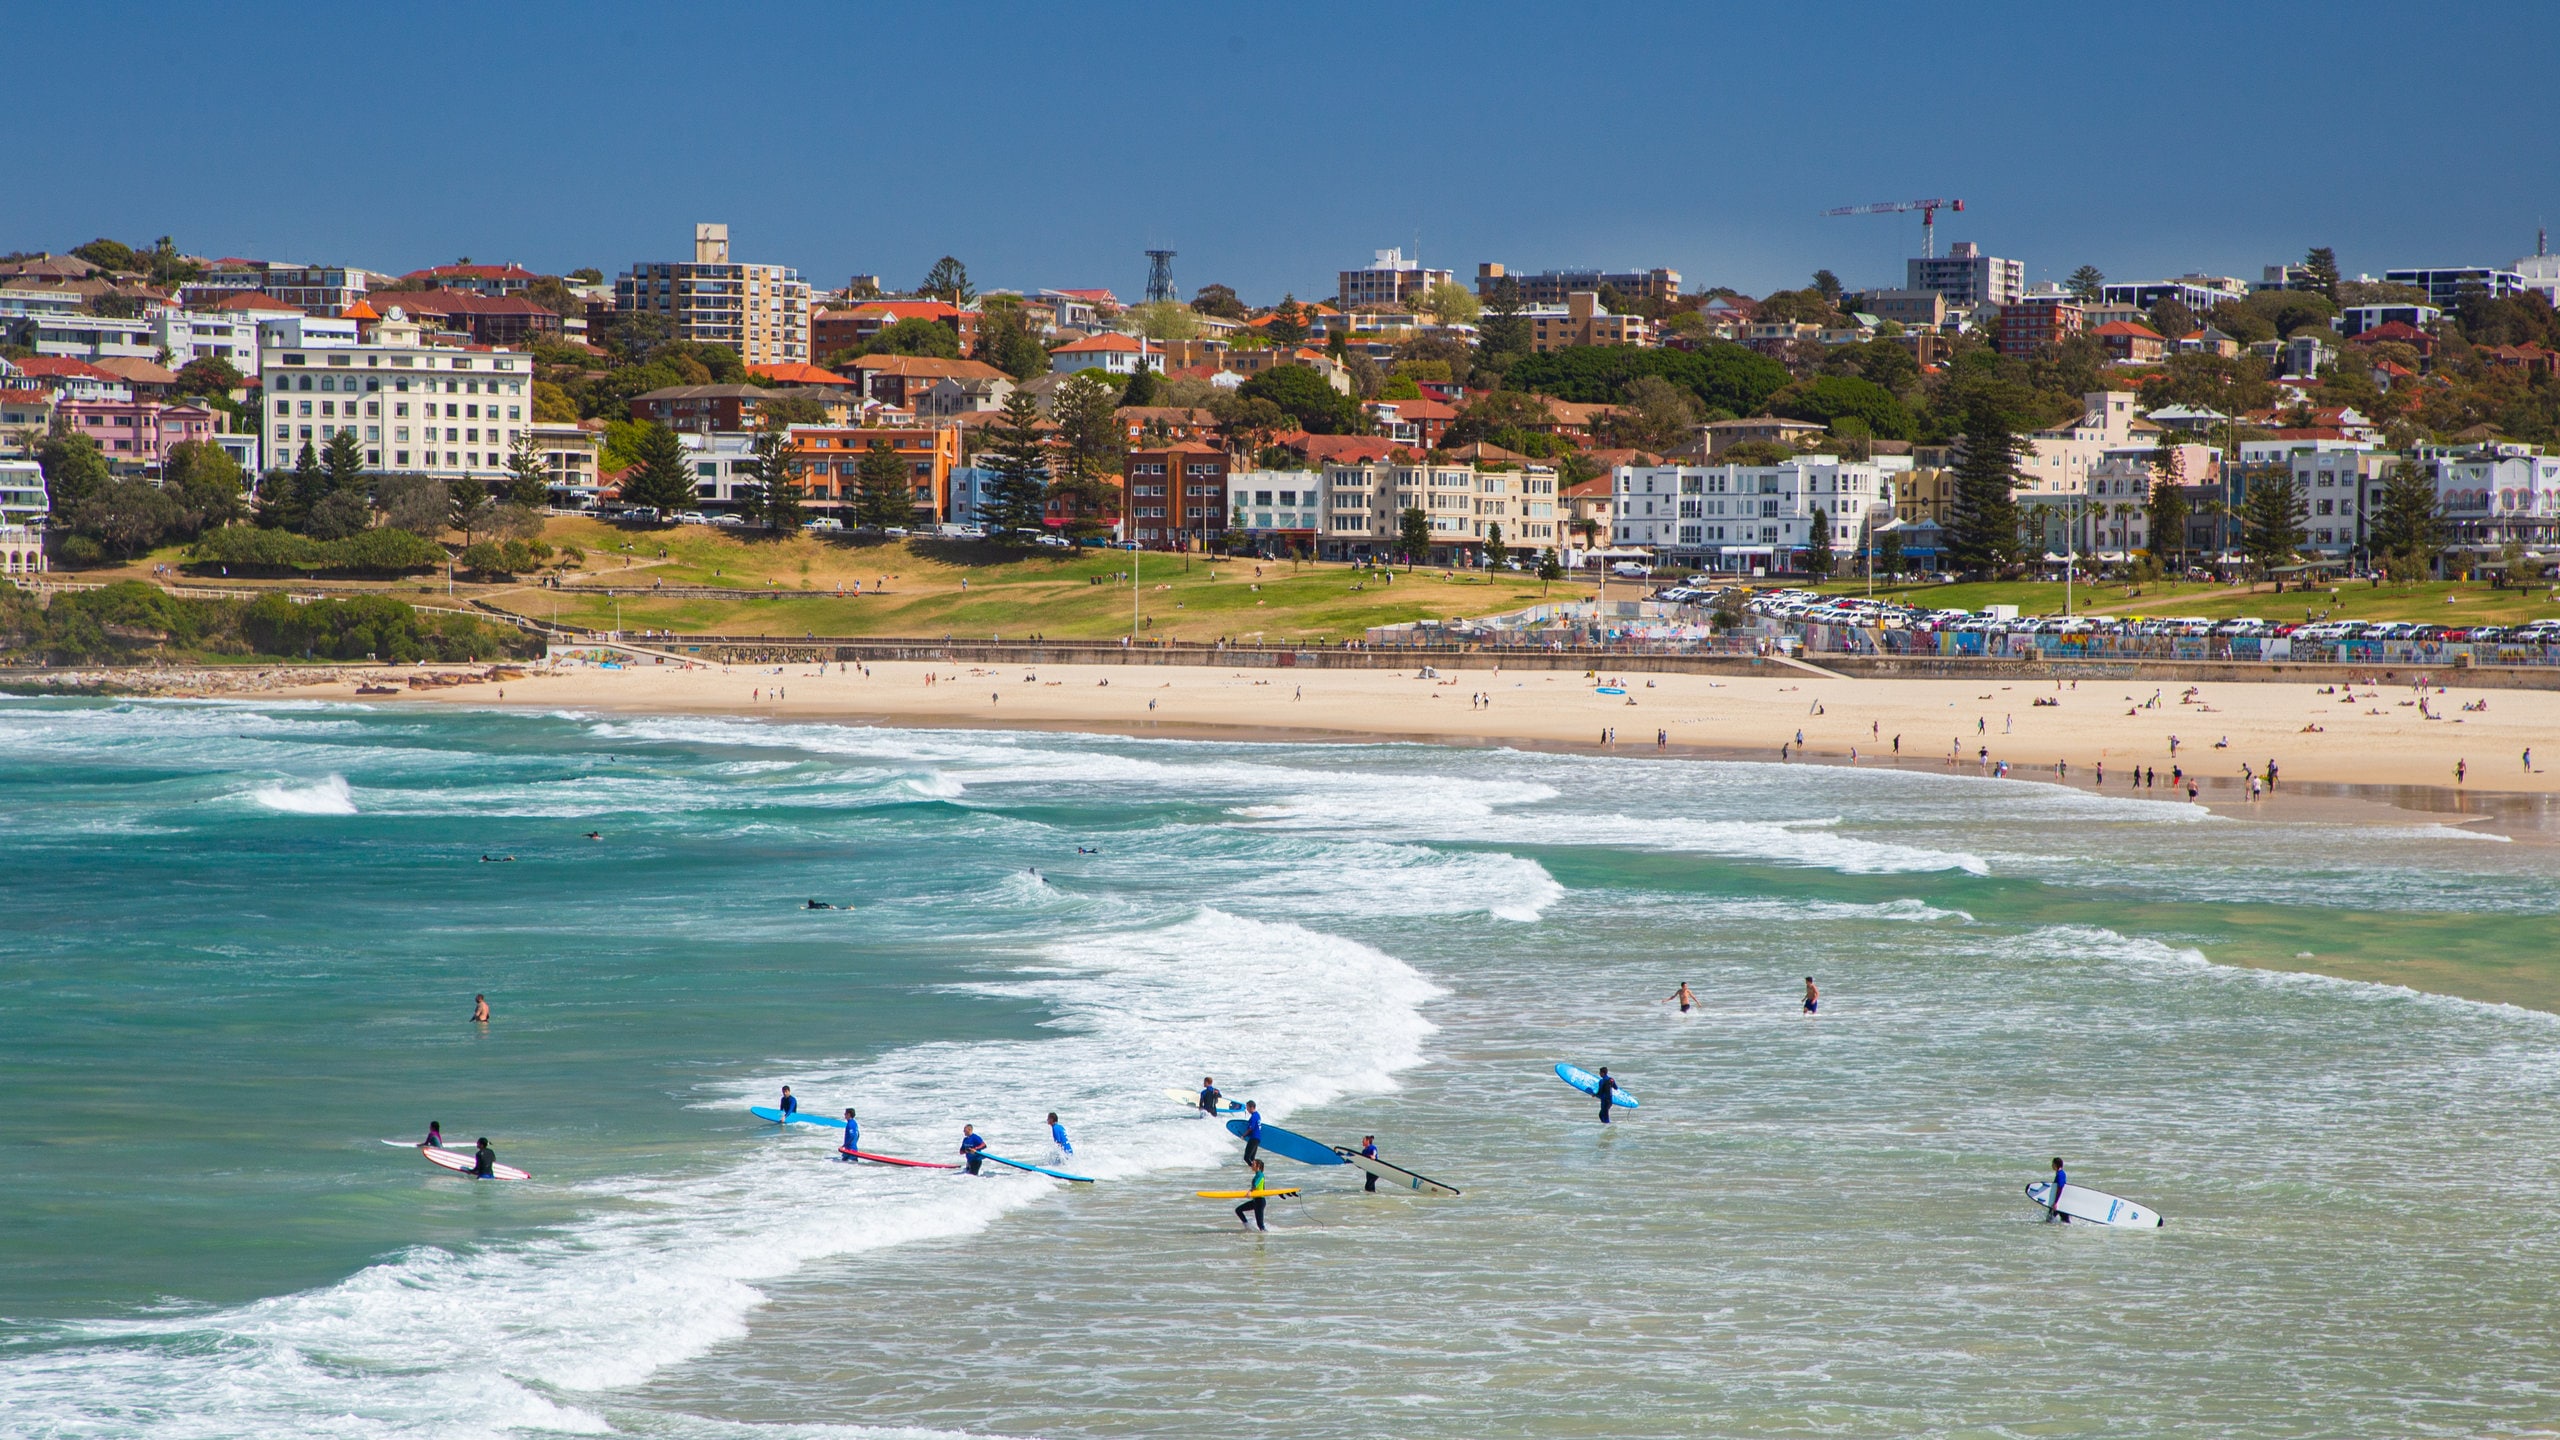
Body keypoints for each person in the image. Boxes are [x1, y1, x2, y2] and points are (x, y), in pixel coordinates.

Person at [1235, 1158, 1273, 1230]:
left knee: (1260, 1226)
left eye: (1253, 1164)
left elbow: (1255, 1184)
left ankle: (1265, 1237)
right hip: (1255, 1201)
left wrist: (1250, 1191)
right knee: (1238, 1210)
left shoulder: (1260, 1175)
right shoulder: (1257, 1175)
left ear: (1258, 1166)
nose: (1251, 1165)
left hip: (1260, 1201)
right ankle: (1247, 1226)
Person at [2045, 1157, 2070, 1222]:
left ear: (2056, 1165)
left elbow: (2060, 1187)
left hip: (2059, 1202)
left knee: (2049, 1220)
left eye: (2052, 1164)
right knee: (2065, 1221)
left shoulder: (2060, 1174)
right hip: (2061, 1201)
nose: (2052, 1165)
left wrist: (2056, 1202)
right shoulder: (2060, 1173)